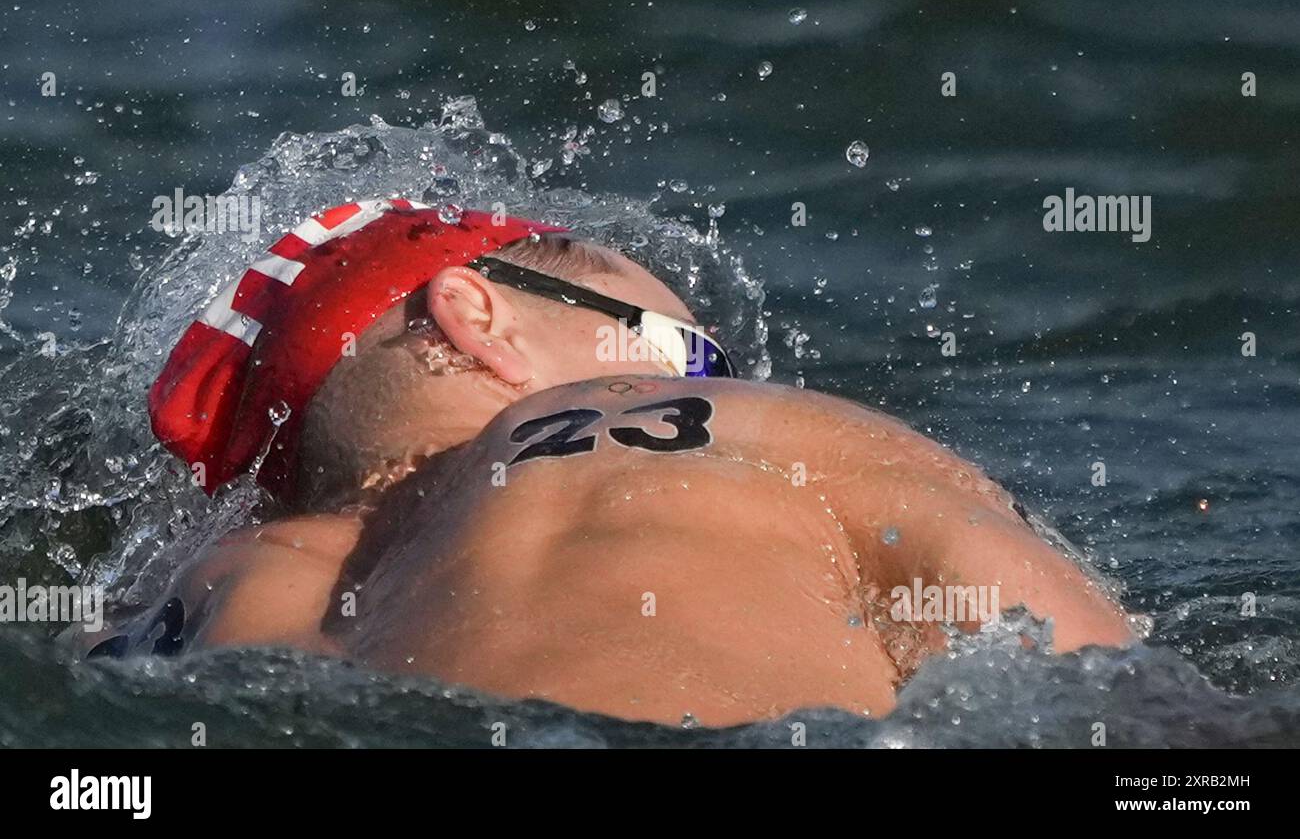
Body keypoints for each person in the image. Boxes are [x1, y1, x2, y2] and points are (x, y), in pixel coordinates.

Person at [83, 200, 1132, 727]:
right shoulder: (682, 424)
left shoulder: (200, 589)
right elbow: (1107, 694)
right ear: (477, 316)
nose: (723, 383)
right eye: (695, 355)